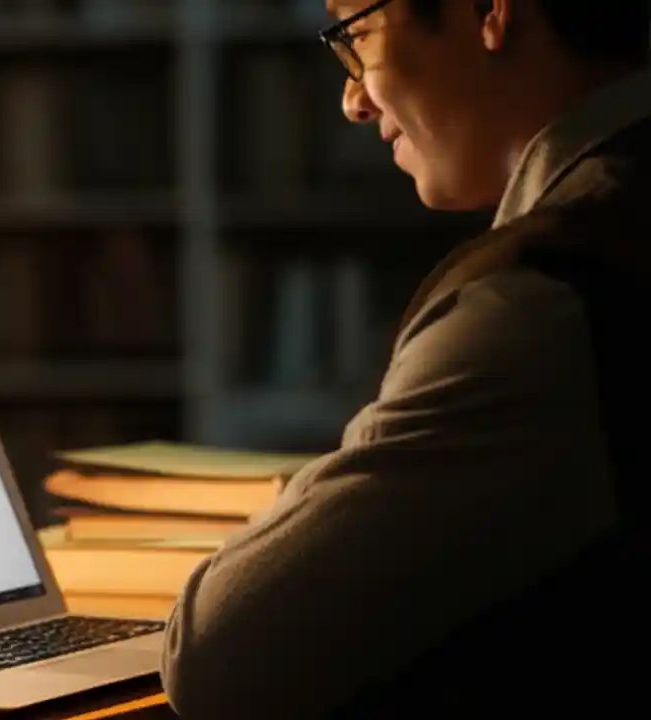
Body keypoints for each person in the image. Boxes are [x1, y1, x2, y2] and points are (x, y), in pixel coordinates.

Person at [159, 1, 651, 717]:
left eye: (357, 35)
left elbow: (221, 653)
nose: (353, 99)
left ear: (489, 12)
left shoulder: (538, 306)